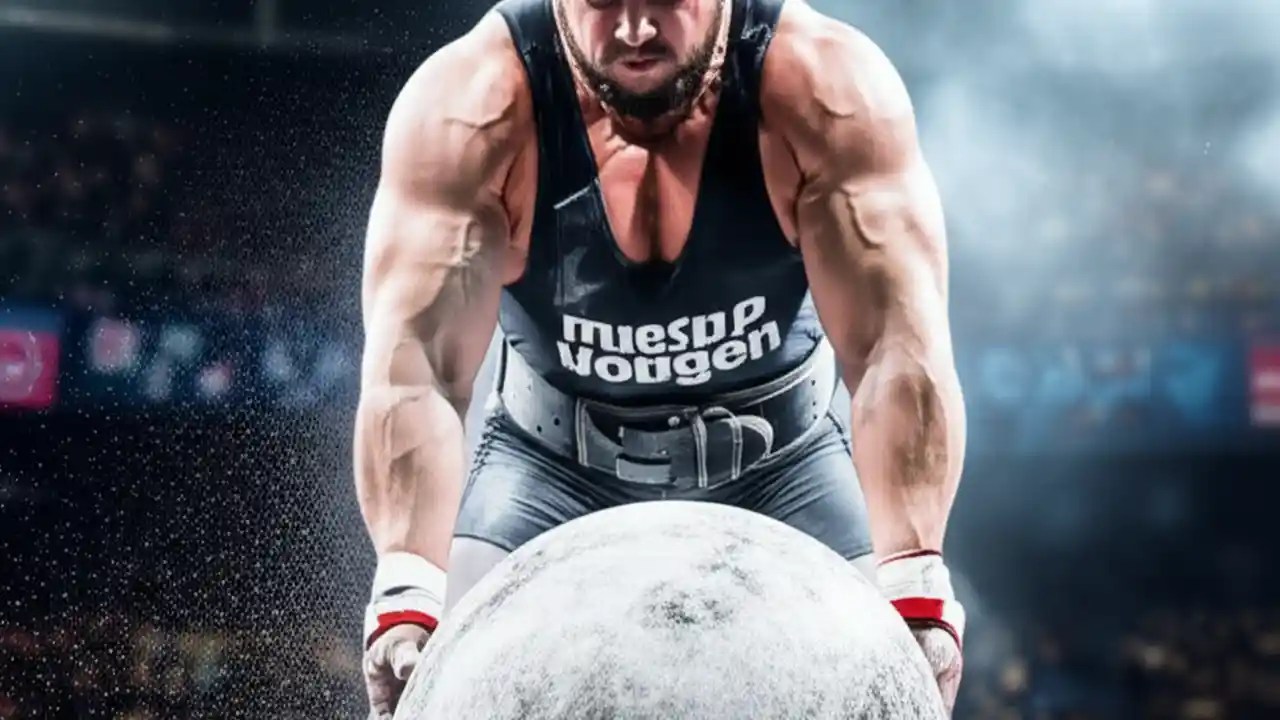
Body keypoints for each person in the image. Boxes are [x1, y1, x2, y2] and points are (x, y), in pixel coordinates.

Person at [354, 0, 967, 717]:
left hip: (784, 475)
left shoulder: (827, 89)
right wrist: (406, 589)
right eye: (604, 2)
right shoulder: (468, 107)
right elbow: (419, 369)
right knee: (427, 693)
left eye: (665, 1)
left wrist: (916, 580)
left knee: (901, 690)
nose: (636, 29)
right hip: (547, 478)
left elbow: (895, 348)